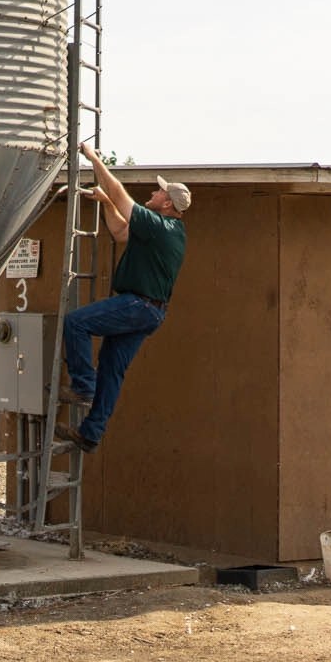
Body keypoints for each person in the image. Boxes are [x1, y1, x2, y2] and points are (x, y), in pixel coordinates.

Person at [56, 144, 191, 453]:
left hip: (139, 305)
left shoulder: (160, 226)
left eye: (159, 193)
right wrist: (105, 203)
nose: (154, 193)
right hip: (149, 312)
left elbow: (119, 193)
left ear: (167, 203)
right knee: (111, 367)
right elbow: (119, 232)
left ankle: (83, 387)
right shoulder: (167, 230)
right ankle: (90, 434)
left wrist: (93, 160)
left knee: (76, 323)